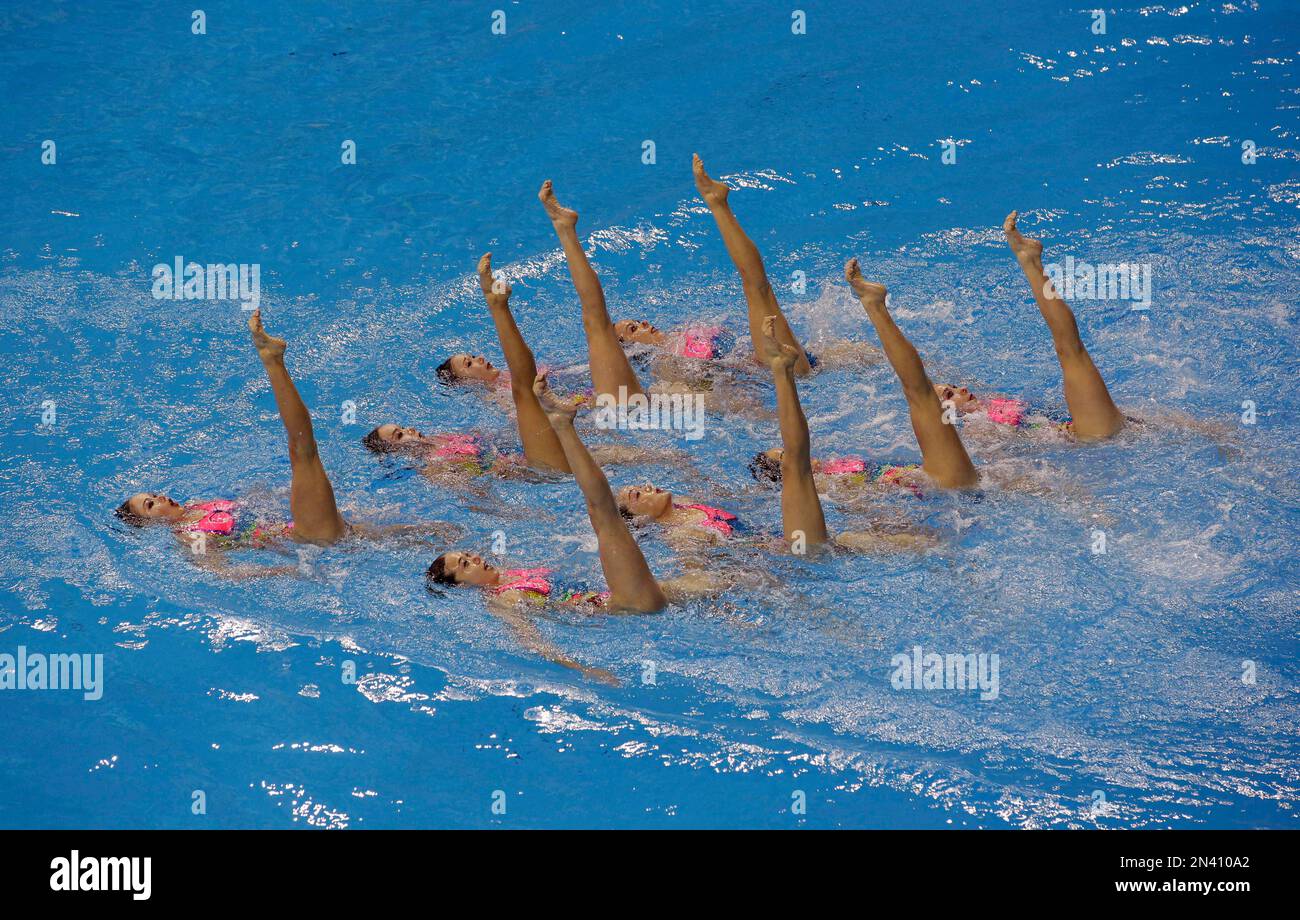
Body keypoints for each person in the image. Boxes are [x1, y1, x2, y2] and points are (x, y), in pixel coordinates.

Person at [426, 374, 726, 683]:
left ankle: (736, 615)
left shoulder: (512, 572)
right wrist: (583, 670)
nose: (475, 559)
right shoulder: (503, 600)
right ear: (462, 585)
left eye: (468, 555)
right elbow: (533, 643)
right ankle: (562, 425)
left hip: (625, 594)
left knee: (719, 583)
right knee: (603, 513)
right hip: (626, 604)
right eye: (465, 565)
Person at [116, 311, 454, 577]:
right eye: (150, 505)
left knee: (434, 534)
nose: (159, 498)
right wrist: (288, 570)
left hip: (309, 529)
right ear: (149, 524)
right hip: (307, 537)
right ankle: (273, 361)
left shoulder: (201, 506)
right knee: (302, 450)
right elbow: (224, 574)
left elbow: (253, 512)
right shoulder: (189, 537)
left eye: (153, 494)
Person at [845, 259, 980, 491]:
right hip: (958, 487)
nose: (963, 390)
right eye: (948, 394)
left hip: (956, 487)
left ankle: (874, 306)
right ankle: (874, 306)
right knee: (918, 390)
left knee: (918, 390)